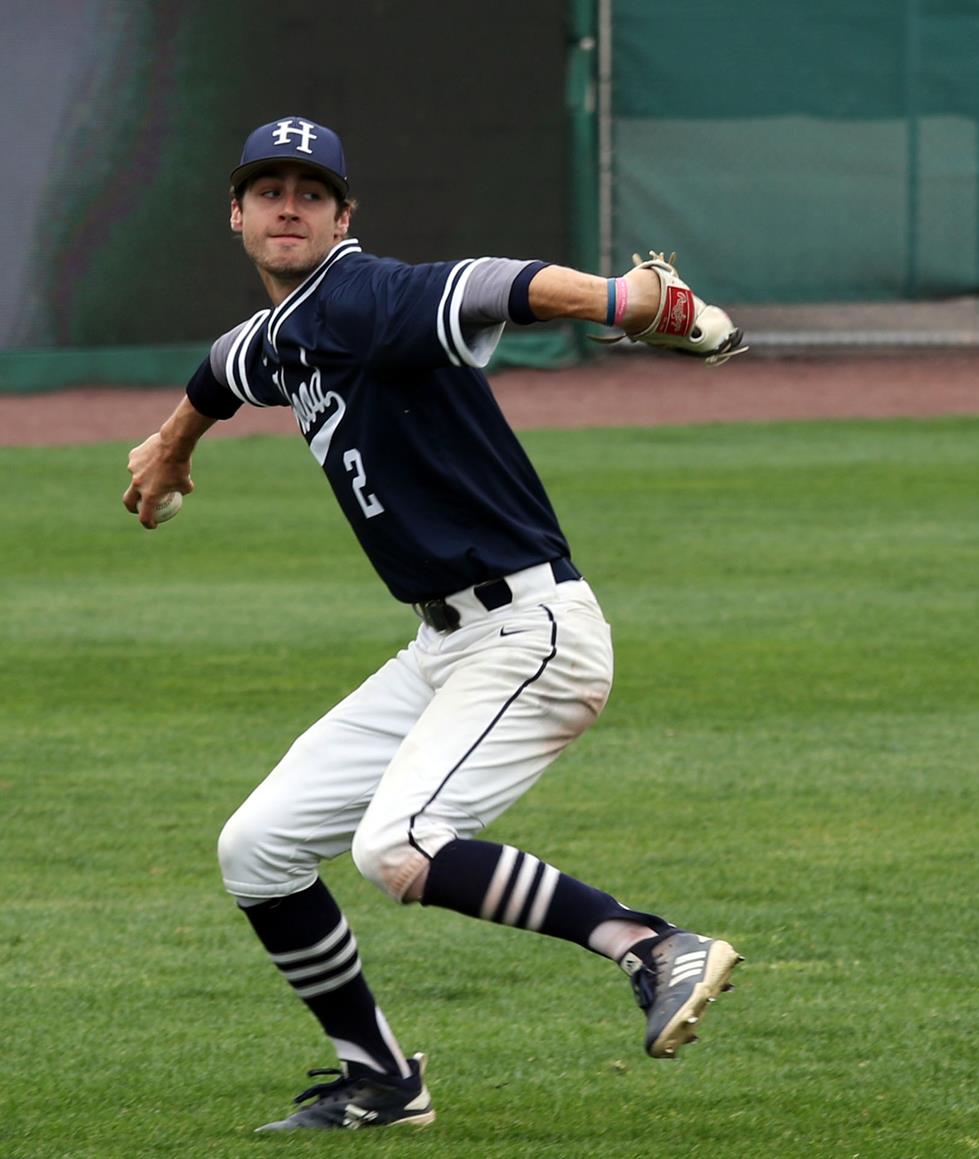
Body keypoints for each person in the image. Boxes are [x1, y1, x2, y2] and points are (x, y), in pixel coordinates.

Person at [122, 116, 746, 1133]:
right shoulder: (287, 332)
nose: (289, 205)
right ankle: (379, 1079)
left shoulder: (363, 293)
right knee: (259, 849)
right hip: (443, 643)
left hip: (530, 633)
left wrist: (621, 302)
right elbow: (226, 365)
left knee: (398, 848)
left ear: (342, 216)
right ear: (234, 213)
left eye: (311, 191)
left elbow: (495, 283)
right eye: (268, 189)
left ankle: (647, 944)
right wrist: (170, 443)